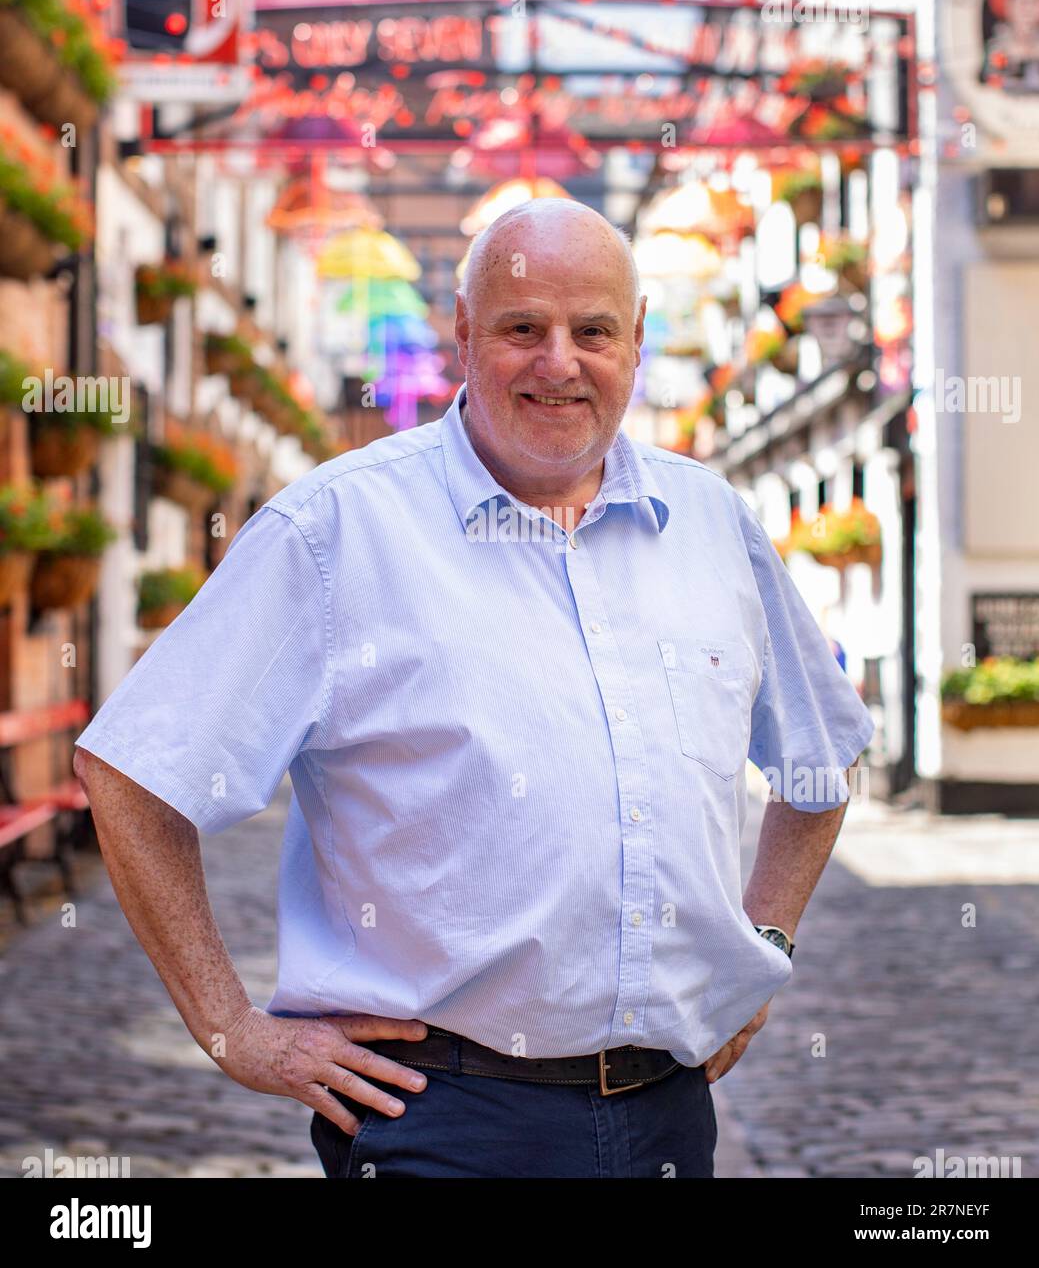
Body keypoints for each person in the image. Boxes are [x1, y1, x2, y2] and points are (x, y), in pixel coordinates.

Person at [74, 198, 874, 1180]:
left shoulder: (710, 523)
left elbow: (817, 757)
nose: (558, 362)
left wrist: (763, 943)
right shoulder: (337, 531)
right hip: (439, 1119)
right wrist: (234, 1031)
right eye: (521, 329)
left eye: (592, 331)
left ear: (635, 338)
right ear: (463, 335)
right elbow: (133, 771)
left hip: (669, 1117)